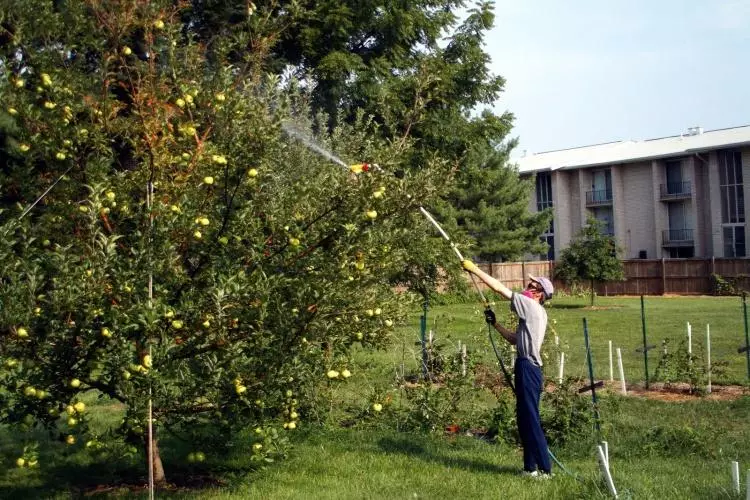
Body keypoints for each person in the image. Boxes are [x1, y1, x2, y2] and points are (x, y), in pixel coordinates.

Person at [462, 259, 554, 477]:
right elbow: (515, 339)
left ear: (540, 294)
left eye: (533, 286)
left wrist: (474, 269)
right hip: (527, 367)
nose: (528, 286)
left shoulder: (531, 305)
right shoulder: (533, 313)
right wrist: (495, 325)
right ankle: (530, 468)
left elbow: (497, 287)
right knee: (524, 418)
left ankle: (545, 470)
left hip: (528, 368)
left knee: (530, 418)